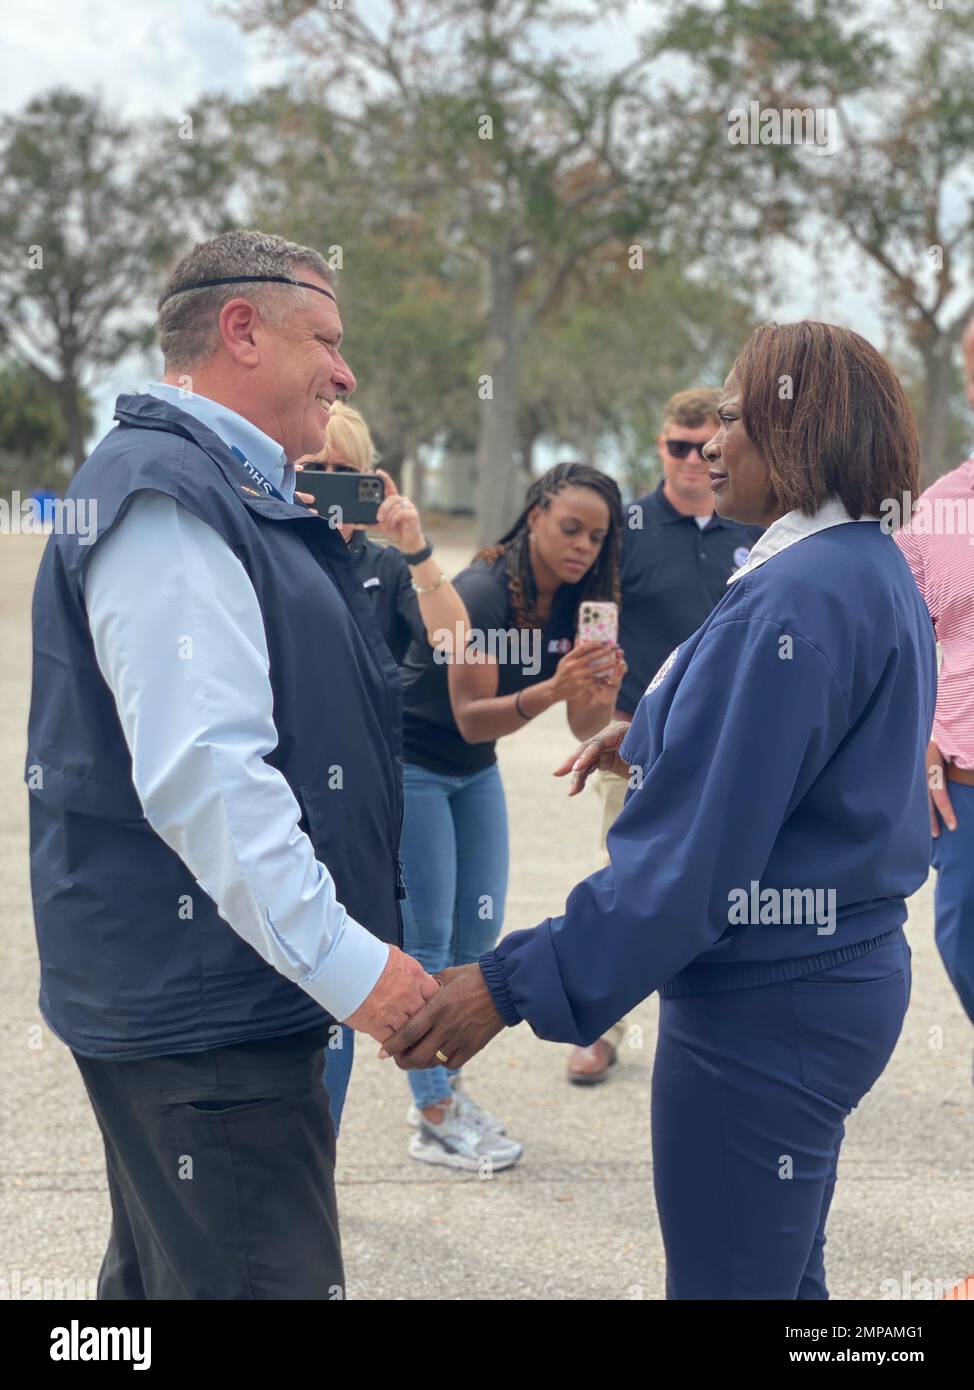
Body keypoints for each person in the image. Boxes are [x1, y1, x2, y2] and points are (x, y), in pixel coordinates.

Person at [383, 321, 937, 1300]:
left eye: (731, 418)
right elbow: (820, 752)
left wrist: (505, 984)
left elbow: (691, 868)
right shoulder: (862, 562)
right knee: (778, 1277)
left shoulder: (795, 594)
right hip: (831, 975)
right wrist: (663, 733)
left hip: (767, 1000)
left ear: (799, 426)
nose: (710, 444)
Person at [25, 229, 440, 1300]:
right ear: (242, 330)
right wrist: (353, 966)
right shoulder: (166, 492)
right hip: (208, 1017)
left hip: (213, 999)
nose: (345, 373)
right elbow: (208, 776)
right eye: (326, 340)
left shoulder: (231, 487)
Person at [397, 462, 627, 1169]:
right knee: (429, 941)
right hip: (412, 762)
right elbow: (471, 716)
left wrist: (597, 688)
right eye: (571, 528)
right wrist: (555, 686)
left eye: (596, 536)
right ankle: (434, 1114)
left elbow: (582, 723)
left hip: (473, 770)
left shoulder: (585, 603)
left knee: (477, 935)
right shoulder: (483, 591)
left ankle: (445, 1089)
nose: (583, 546)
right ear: (534, 517)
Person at [568, 388, 763, 1085]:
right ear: (661, 446)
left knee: (740, 891)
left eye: (702, 446)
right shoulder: (624, 530)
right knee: (625, 886)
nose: (689, 459)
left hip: (732, 742)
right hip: (636, 741)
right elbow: (595, 626)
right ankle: (600, 1029)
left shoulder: (757, 530)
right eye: (677, 446)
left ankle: (729, 1032)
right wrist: (596, 709)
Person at [298, 401, 469, 1132]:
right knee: (302, 979)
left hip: (369, 797)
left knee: (357, 963)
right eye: (314, 469)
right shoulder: (267, 549)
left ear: (371, 481)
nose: (328, 485)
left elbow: (457, 646)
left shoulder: (382, 565)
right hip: (289, 793)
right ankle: (315, 1149)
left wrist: (416, 546)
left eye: (347, 472)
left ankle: (411, 1114)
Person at [894, 314, 974, 1045]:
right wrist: (917, 741)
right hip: (964, 783)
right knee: (961, 936)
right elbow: (901, 642)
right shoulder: (936, 511)